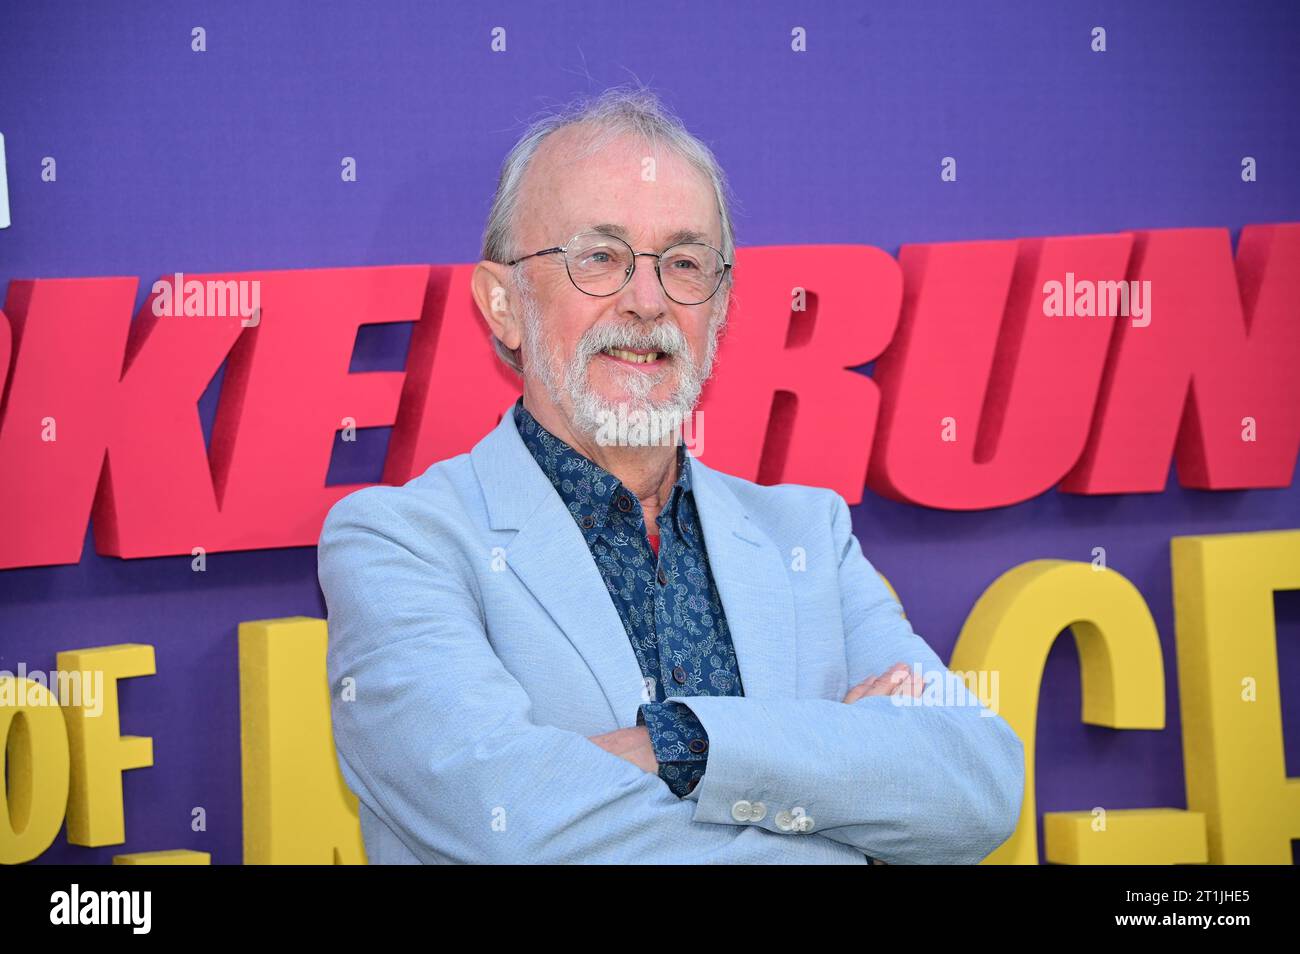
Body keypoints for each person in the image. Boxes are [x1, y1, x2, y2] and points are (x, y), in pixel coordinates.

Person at [317, 85, 1024, 864]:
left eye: (684, 263)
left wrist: (683, 745)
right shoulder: (399, 544)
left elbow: (977, 782)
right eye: (600, 258)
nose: (647, 301)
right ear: (503, 303)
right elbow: (511, 825)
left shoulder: (809, 538)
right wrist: (839, 818)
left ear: (718, 307)